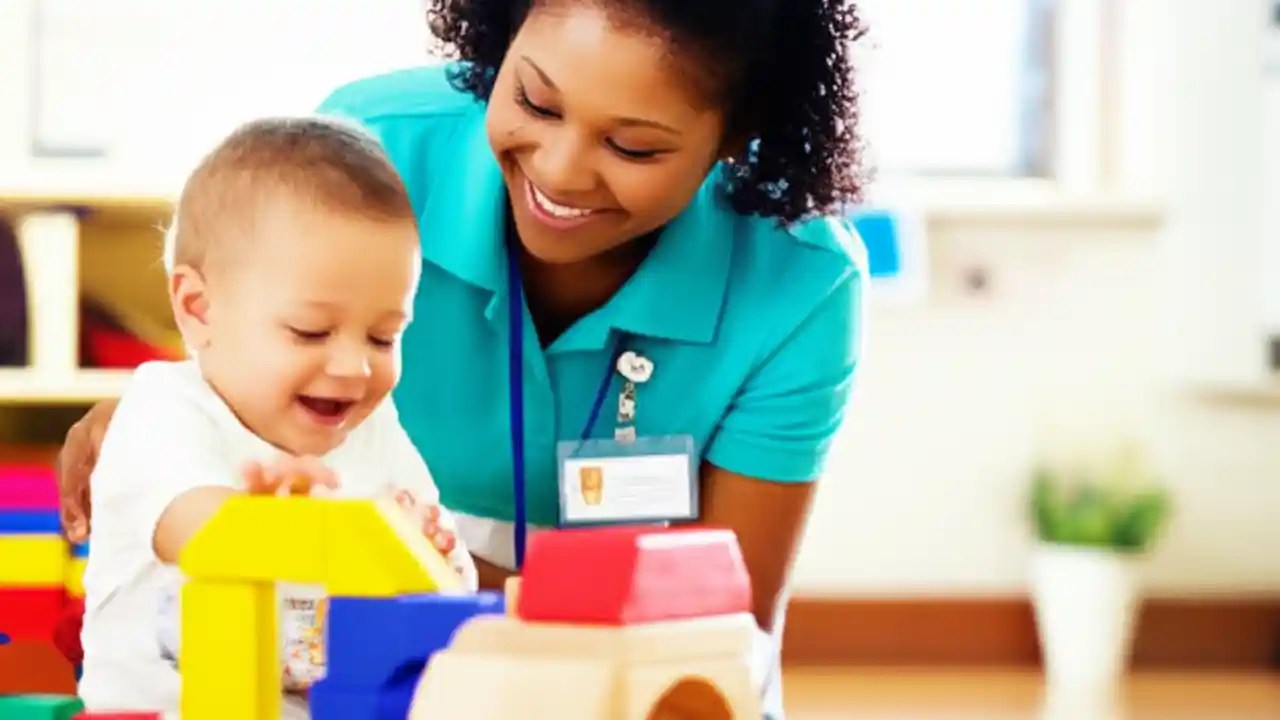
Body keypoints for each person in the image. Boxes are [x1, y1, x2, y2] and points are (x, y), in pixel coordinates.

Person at [58, 1, 868, 716]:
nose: (558, 170)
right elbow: (230, 377)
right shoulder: (373, 155)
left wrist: (417, 572)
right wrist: (178, 430)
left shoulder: (800, 279)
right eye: (535, 102)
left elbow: (723, 623)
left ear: (736, 135)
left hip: (622, 647)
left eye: (631, 146)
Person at [75, 117, 477, 717]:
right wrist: (301, 523)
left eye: (382, 336)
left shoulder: (374, 431)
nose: (353, 368)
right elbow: (202, 530)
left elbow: (447, 599)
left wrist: (431, 550)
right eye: (310, 331)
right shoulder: (161, 410)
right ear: (199, 309)